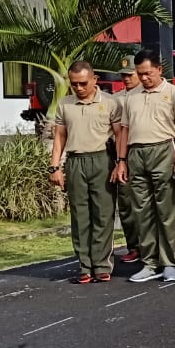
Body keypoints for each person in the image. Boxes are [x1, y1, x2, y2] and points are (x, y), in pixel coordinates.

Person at [113, 48, 175, 283]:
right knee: (141, 211)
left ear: (159, 69)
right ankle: (149, 262)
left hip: (164, 150)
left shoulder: (174, 93)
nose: (144, 78)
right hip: (136, 153)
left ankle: (169, 262)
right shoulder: (131, 96)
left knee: (166, 210)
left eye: (148, 73)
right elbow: (124, 130)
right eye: (140, 73)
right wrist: (122, 161)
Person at [50, 61, 121, 283]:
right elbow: (60, 136)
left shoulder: (110, 103)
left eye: (82, 83)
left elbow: (120, 135)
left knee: (103, 213)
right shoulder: (65, 104)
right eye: (74, 84)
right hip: (75, 162)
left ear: (94, 80)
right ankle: (84, 266)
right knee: (80, 216)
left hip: (101, 160)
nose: (78, 88)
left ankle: (101, 264)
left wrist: (121, 162)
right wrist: (55, 167)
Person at [113, 63, 142, 264]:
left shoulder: (146, 95)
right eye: (123, 75)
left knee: (146, 203)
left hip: (142, 150)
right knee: (125, 203)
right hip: (121, 154)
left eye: (130, 74)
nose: (126, 79)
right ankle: (133, 246)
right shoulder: (115, 100)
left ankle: (152, 246)